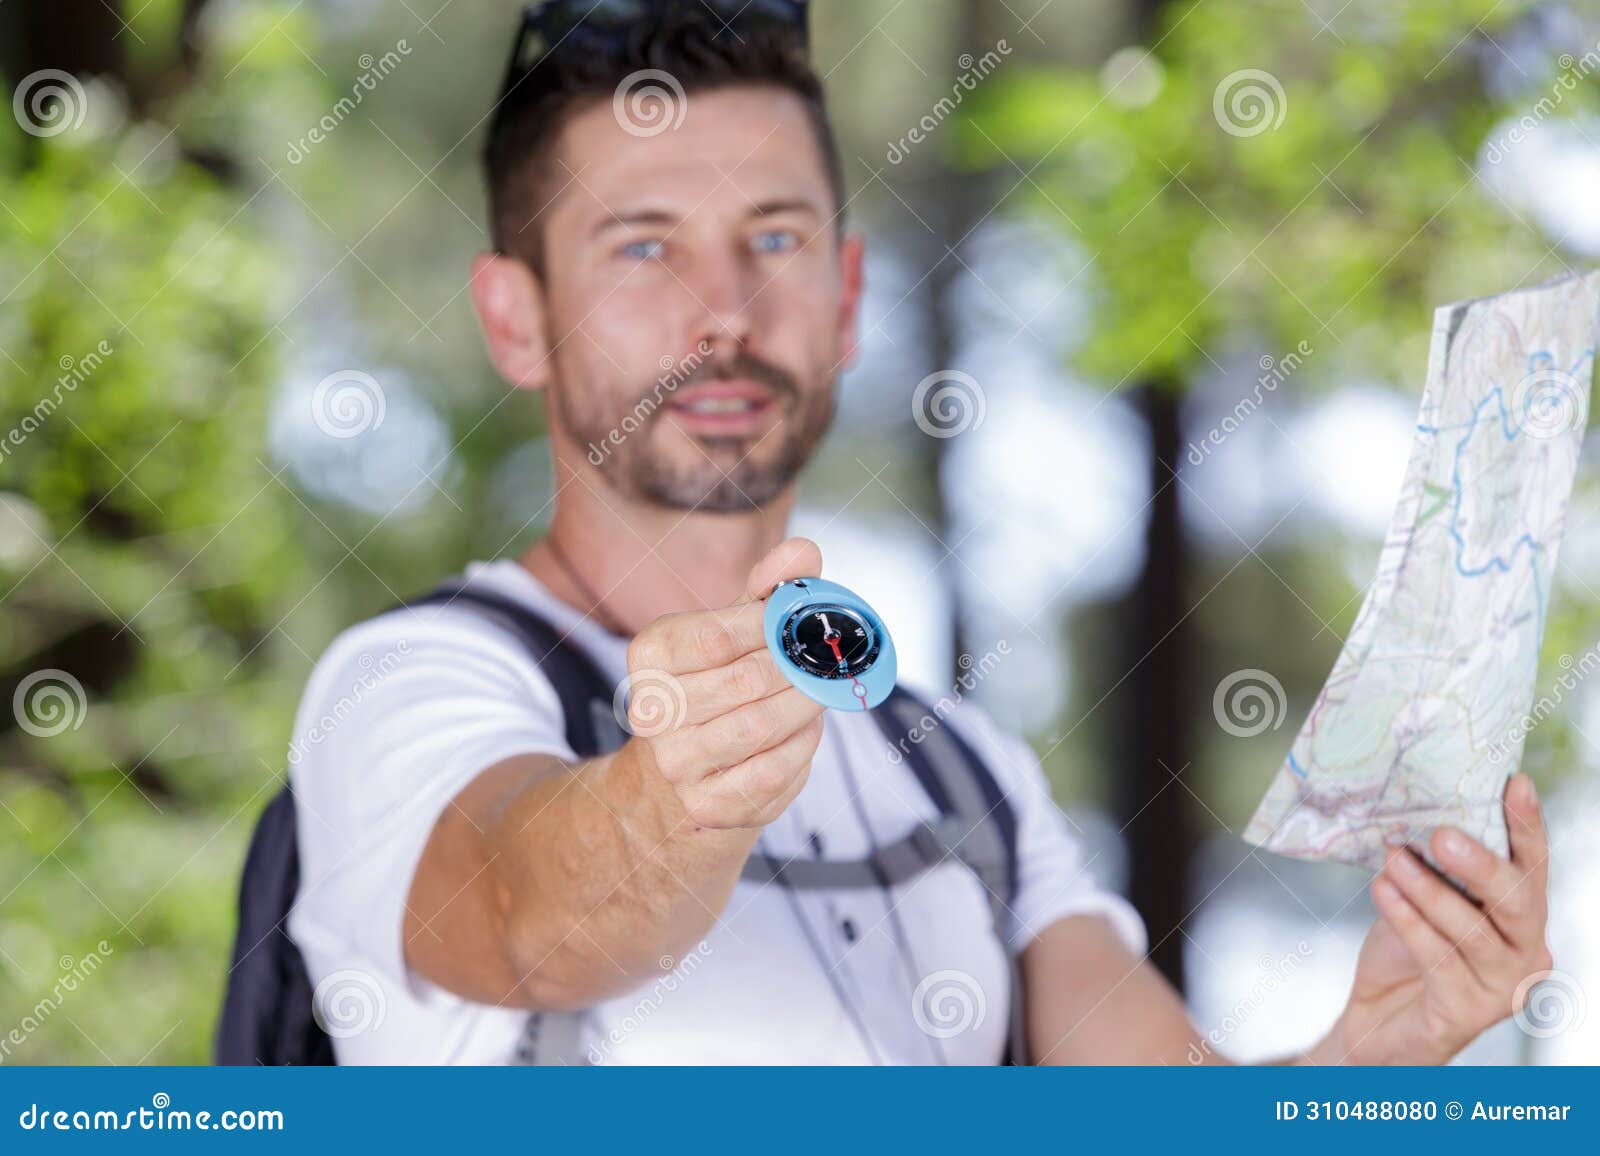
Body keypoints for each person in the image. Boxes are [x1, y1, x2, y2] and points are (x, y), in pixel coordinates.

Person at [285, 0, 1554, 1065]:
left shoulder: (965, 771)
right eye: (642, 246)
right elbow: (524, 914)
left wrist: (1367, 1057)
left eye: (773, 236)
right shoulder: (407, 686)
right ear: (514, 319)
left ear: (845, 298)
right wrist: (667, 805)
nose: (724, 312)